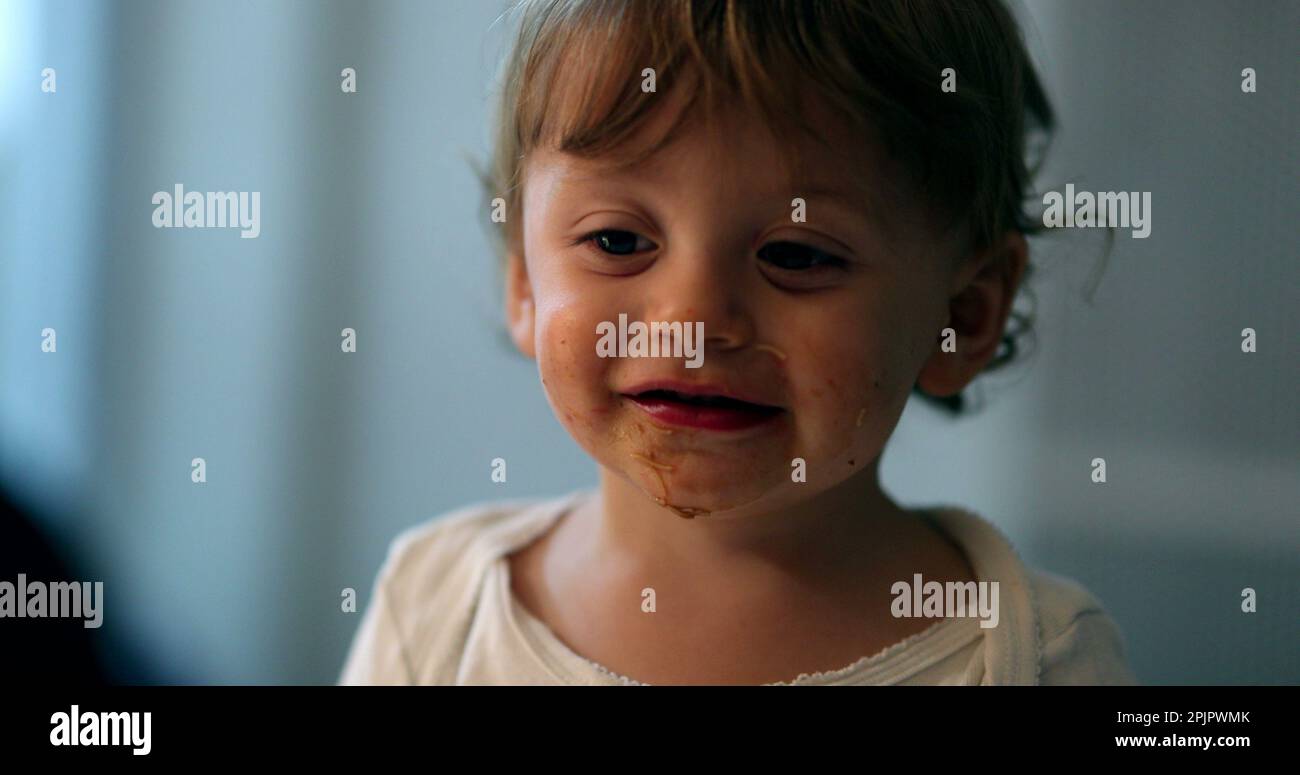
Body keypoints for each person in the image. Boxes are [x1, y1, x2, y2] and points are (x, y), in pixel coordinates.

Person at [340, 0, 1135, 685]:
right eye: (618, 241)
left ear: (963, 311)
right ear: (523, 282)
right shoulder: (436, 608)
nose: (690, 321)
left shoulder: (1037, 656)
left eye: (795, 254)